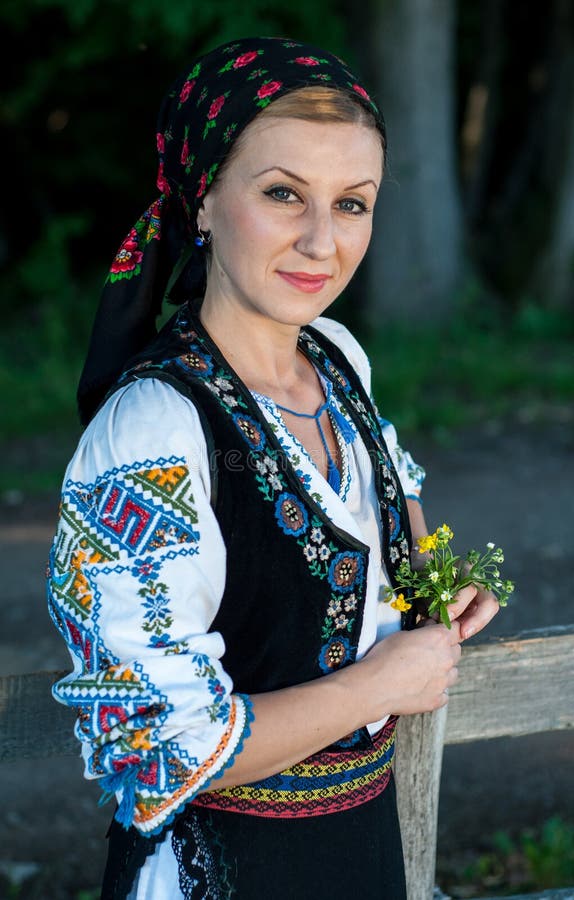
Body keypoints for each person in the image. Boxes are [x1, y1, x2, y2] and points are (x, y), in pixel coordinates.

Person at [46, 36, 499, 899]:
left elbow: (375, 547)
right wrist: (382, 681)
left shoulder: (335, 361)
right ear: (205, 199)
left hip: (360, 853)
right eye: (284, 194)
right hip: (221, 872)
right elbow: (160, 750)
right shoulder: (151, 432)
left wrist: (446, 581)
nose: (322, 241)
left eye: (353, 203)